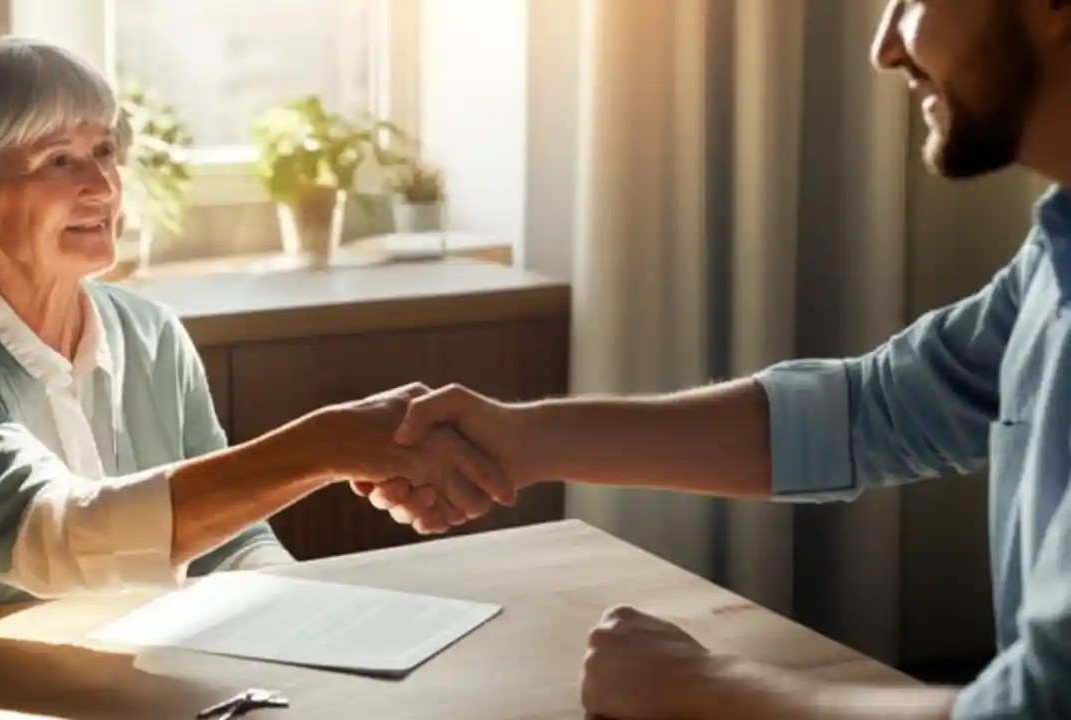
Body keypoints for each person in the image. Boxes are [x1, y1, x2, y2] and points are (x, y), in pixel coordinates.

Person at [358, 0, 1071, 717]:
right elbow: (872, 412)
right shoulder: (1056, 253)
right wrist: (519, 442)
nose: (886, 47)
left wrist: (697, 690)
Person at [0, 37, 511, 633]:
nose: (101, 184)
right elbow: (52, 539)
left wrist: (315, 620)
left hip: (97, 670)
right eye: (57, 159)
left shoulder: (151, 334)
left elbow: (231, 543)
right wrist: (325, 445)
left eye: (102, 149)